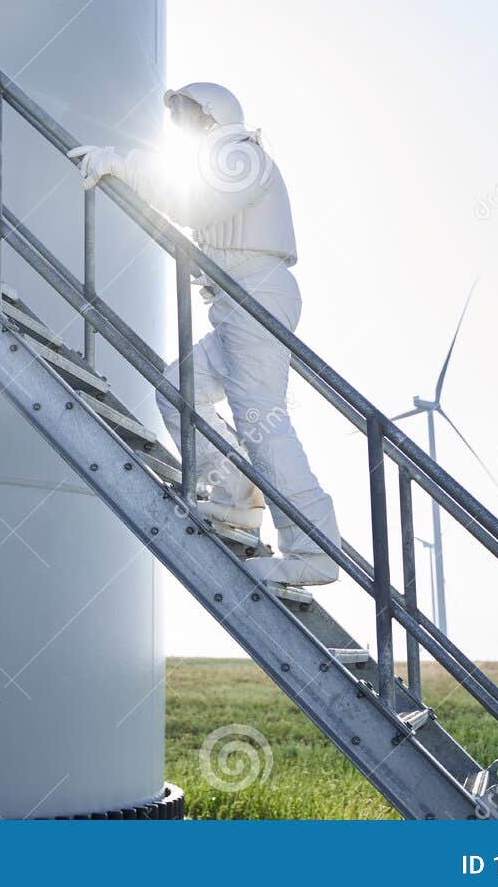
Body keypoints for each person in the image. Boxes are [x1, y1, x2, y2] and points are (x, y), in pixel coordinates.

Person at [68, 82, 339, 587]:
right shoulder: (219, 160)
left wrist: (123, 165)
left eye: (188, 115)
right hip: (237, 300)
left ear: (214, 115)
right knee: (179, 392)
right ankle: (235, 496)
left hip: (257, 293)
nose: (182, 126)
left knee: (260, 417)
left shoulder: (242, 155)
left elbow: (196, 207)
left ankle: (313, 549)